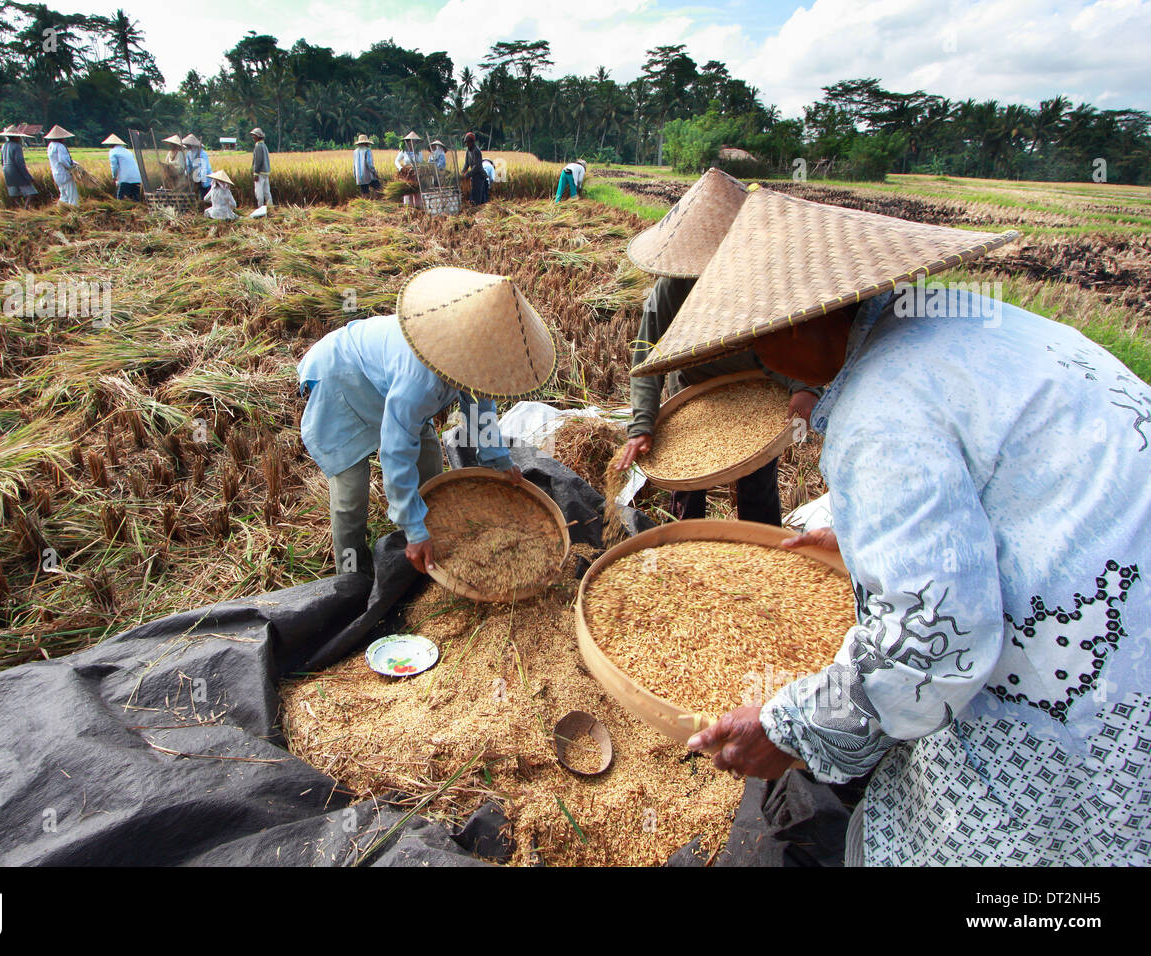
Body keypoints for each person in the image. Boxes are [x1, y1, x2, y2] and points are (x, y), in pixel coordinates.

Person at [648, 182, 1151, 866]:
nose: (767, 369)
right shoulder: (958, 320)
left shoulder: (882, 407)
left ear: (799, 321)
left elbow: (932, 646)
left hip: (1093, 697)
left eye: (763, 350)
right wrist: (863, 541)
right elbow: (986, 494)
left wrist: (786, 727)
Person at [296, 267, 556, 578]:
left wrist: (499, 460)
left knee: (430, 461)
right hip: (341, 381)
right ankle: (351, 575)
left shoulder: (474, 355)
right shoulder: (419, 381)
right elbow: (395, 451)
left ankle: (435, 537)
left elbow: (480, 404)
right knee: (351, 493)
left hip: (386, 382)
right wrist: (413, 531)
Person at [615, 169, 819, 525]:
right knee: (687, 489)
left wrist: (805, 387)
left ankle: (763, 554)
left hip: (758, 391)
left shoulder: (767, 283)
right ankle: (689, 553)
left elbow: (801, 337)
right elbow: (647, 354)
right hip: (693, 395)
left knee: (757, 487)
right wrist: (642, 424)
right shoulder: (672, 289)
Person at [0, 125, 37, 208]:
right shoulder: (17, 146)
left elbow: (2, 161)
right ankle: (25, 208)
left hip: (7, 171)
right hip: (16, 171)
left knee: (15, 194)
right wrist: (28, 177)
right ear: (16, 137)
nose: (20, 139)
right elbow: (20, 163)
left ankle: (20, 208)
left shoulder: (4, 146)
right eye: (19, 137)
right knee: (31, 193)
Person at [43, 125, 79, 206]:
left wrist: (73, 162)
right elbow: (63, 160)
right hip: (64, 174)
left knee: (64, 195)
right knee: (72, 196)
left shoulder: (50, 146)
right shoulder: (60, 146)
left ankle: (59, 209)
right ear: (61, 138)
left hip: (56, 174)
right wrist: (71, 168)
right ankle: (74, 211)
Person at [102, 133, 143, 201]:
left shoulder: (113, 152)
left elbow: (114, 167)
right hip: (137, 177)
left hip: (125, 178)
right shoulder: (128, 151)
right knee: (135, 198)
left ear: (111, 144)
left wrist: (114, 177)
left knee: (120, 198)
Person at [395, 131, 424, 208]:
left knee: (417, 191)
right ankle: (409, 209)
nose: (412, 143)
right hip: (407, 174)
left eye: (414, 142)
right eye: (410, 142)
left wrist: (417, 168)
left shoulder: (419, 152)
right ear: (407, 142)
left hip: (416, 174)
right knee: (408, 191)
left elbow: (421, 162)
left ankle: (418, 209)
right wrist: (400, 168)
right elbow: (396, 161)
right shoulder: (404, 151)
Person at [182, 134, 212, 198]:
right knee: (201, 195)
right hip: (196, 176)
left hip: (206, 178)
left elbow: (204, 168)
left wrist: (200, 178)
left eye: (189, 145)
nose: (188, 147)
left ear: (193, 145)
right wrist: (186, 173)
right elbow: (188, 166)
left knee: (208, 195)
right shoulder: (189, 153)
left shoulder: (202, 153)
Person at [461, 132, 486, 205]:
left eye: (468, 142)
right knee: (473, 194)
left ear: (472, 142)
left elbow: (477, 166)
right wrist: (462, 172)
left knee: (477, 195)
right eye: (466, 143)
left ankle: (478, 209)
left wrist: (468, 174)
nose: (467, 144)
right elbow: (467, 163)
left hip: (479, 175)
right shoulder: (468, 151)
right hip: (474, 176)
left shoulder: (476, 151)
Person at [249, 127, 272, 209]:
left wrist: (256, 173)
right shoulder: (264, 145)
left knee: (259, 192)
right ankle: (270, 207)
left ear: (258, 136)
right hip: (266, 172)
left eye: (254, 136)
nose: (253, 137)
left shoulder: (258, 146)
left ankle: (260, 208)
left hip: (260, 173)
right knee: (266, 191)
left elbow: (258, 160)